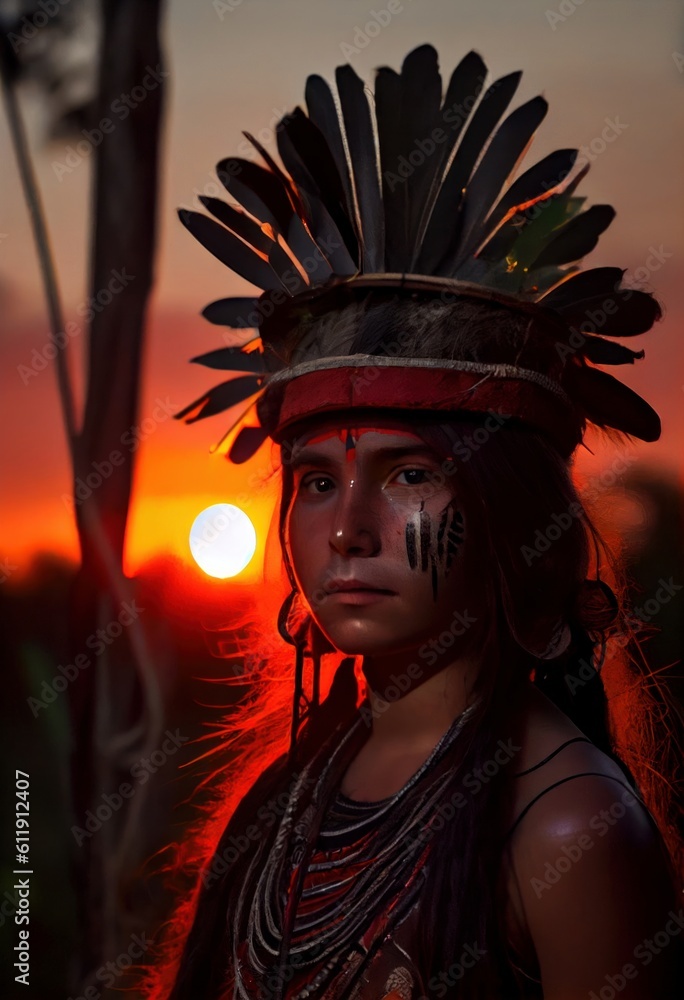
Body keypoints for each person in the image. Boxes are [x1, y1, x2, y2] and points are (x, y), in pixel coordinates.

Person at [149, 45, 684, 999]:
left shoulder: (568, 828)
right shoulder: (288, 802)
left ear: (510, 512)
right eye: (314, 482)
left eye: (409, 474)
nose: (348, 528)